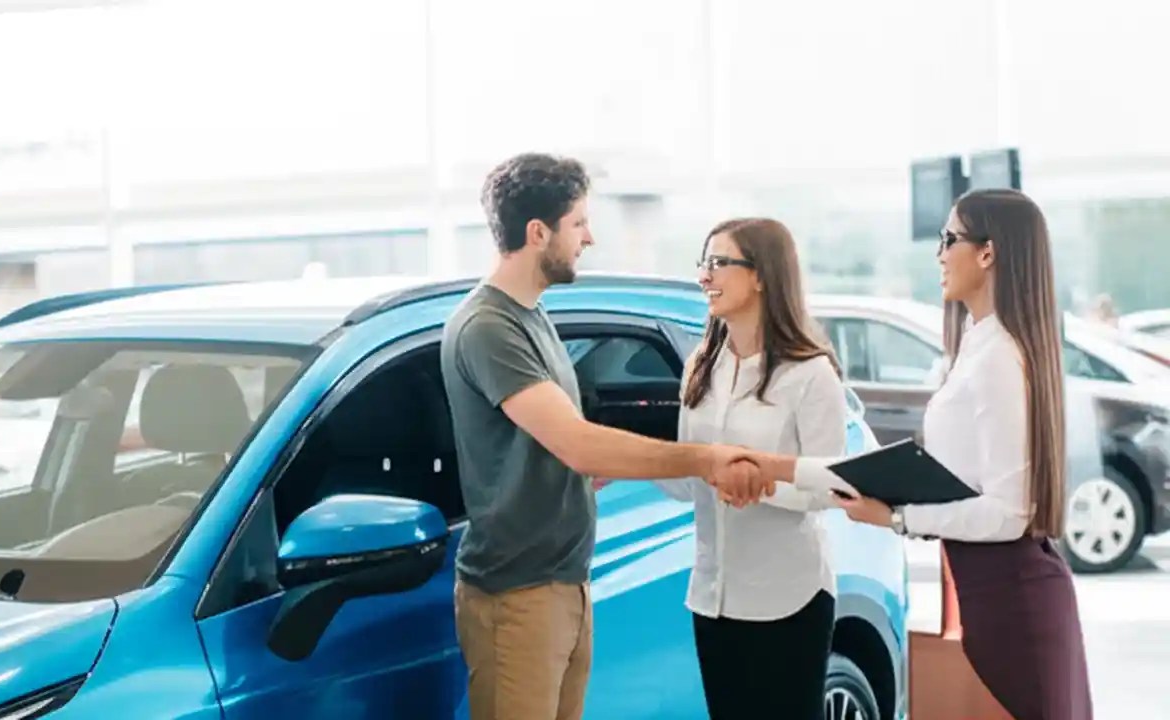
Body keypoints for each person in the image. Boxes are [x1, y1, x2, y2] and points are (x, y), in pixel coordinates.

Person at [725, 189, 1094, 720]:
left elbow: (1010, 512)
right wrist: (777, 466)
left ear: (987, 253)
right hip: (993, 593)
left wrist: (898, 518)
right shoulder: (977, 343)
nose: (940, 254)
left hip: (1016, 600)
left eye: (949, 239)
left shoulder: (999, 356)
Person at [439, 152, 772, 720]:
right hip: (518, 595)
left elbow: (558, 447)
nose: (588, 238)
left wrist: (588, 470)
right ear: (537, 232)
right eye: (578, 224)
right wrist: (705, 458)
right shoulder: (488, 328)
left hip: (563, 583)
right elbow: (575, 441)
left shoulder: (532, 316)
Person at [654, 218, 846, 720]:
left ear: (762, 275)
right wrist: (620, 462)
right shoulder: (701, 364)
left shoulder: (810, 372)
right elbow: (687, 477)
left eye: (720, 263)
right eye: (704, 263)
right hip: (713, 595)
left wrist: (757, 483)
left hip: (788, 598)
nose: (705, 276)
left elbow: (834, 485)